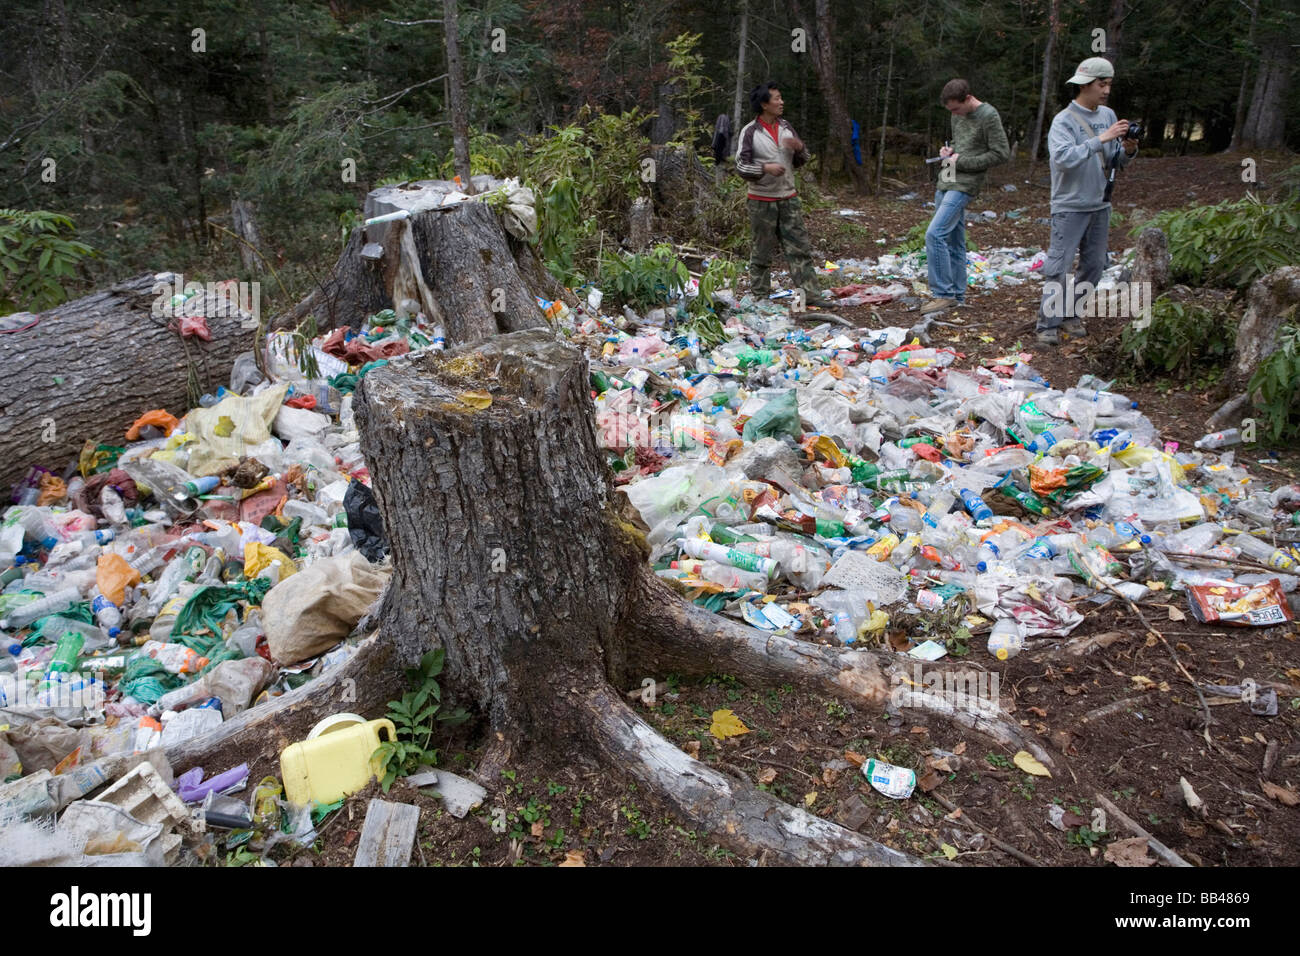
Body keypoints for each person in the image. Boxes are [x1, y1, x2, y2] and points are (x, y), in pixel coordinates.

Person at [1035, 56, 1138, 345]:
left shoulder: (1107, 115)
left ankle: (1071, 314)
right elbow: (1064, 159)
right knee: (1059, 267)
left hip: (1100, 204)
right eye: (1100, 84)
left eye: (1109, 85)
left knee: (1093, 265)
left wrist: (1128, 150)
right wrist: (1101, 139)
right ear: (1084, 85)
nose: (1106, 91)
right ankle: (1047, 326)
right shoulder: (1063, 121)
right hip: (1069, 205)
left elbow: (1114, 161)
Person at [735, 82, 831, 308]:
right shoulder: (750, 131)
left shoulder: (786, 127)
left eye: (781, 98)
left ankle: (809, 297)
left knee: (799, 248)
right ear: (763, 104)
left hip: (789, 198)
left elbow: (801, 160)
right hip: (761, 200)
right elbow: (740, 166)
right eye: (776, 99)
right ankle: (760, 298)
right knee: (762, 251)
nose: (781, 102)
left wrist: (799, 148)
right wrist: (764, 169)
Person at [921, 79, 1011, 315]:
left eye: (956, 109)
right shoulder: (956, 115)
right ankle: (958, 295)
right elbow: (959, 146)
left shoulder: (988, 115)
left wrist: (964, 161)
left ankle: (943, 294)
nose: (954, 114)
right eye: (950, 111)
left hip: (965, 183)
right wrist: (947, 153)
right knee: (954, 240)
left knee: (934, 234)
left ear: (968, 98)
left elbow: (1001, 153)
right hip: (947, 178)